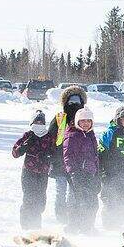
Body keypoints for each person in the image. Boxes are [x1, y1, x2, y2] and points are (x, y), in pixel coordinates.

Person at [50, 85, 88, 224]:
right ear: (66, 103)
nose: (74, 105)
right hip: (59, 162)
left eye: (77, 102)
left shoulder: (84, 119)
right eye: (71, 102)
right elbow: (50, 139)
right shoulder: (59, 119)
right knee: (60, 192)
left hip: (76, 164)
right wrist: (52, 158)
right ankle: (61, 219)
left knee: (73, 192)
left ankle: (71, 218)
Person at [12, 111, 56, 229]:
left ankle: (36, 225)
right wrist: (24, 146)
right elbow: (15, 153)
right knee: (29, 198)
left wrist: (49, 156)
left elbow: (55, 153)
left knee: (40, 200)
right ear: (32, 122)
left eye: (41, 122)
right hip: (28, 172)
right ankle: (26, 226)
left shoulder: (49, 137)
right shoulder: (28, 135)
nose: (39, 124)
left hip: (43, 173)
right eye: (37, 121)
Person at [62, 107, 101, 234]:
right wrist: (73, 172)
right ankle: (73, 226)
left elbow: (95, 155)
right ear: (77, 122)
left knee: (92, 202)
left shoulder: (91, 135)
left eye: (88, 121)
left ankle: (88, 226)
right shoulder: (73, 135)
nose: (85, 124)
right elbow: (67, 155)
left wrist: (97, 172)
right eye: (82, 121)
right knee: (78, 201)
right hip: (78, 173)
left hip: (90, 173)